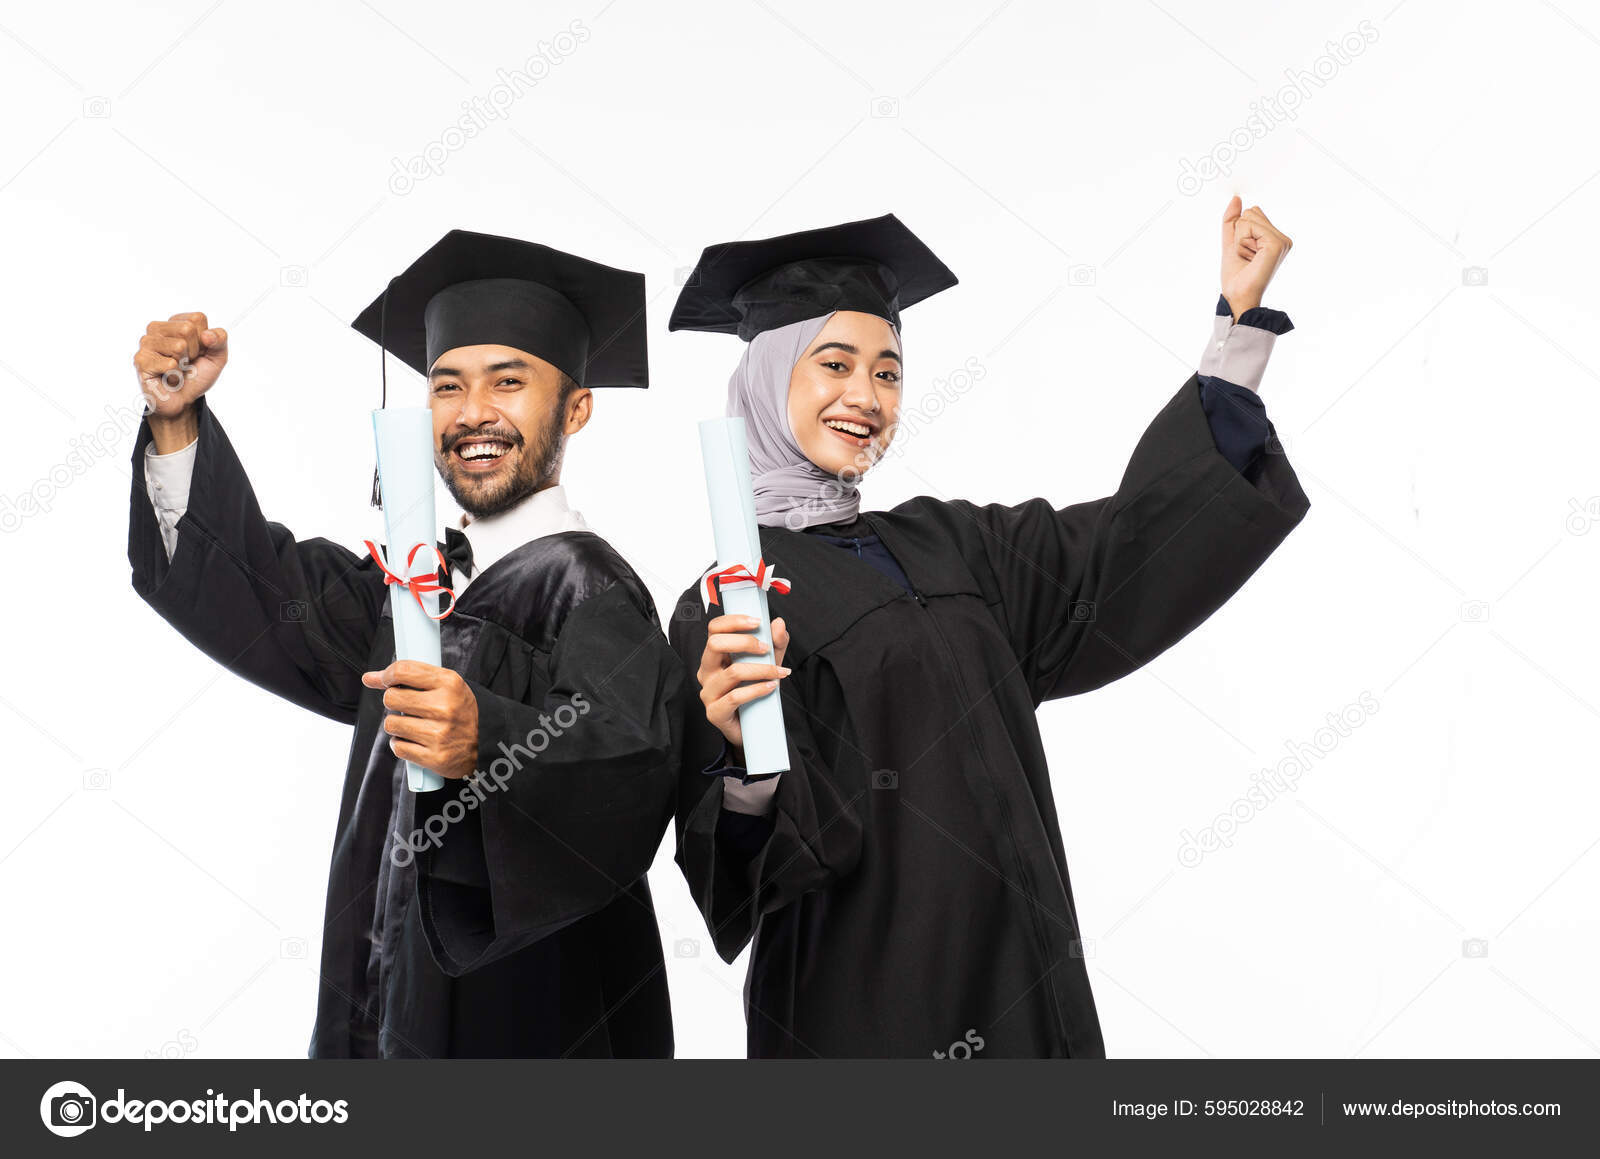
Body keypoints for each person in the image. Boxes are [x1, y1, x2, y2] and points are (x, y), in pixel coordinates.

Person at [665, 203, 1309, 1058]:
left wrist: (1234, 331)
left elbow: (1126, 550)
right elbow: (742, 876)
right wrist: (739, 755)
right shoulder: (724, 605)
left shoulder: (956, 542)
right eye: (835, 364)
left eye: (888, 372)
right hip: (860, 1012)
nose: (866, 395)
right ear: (767, 379)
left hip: (1025, 986)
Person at [127, 230, 687, 1058]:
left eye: (510, 382)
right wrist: (175, 420)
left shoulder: (589, 586)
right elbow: (260, 593)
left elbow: (635, 769)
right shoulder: (412, 590)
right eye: (447, 384)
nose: (472, 413)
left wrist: (488, 739)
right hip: (379, 996)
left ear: (575, 408)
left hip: (527, 1030)